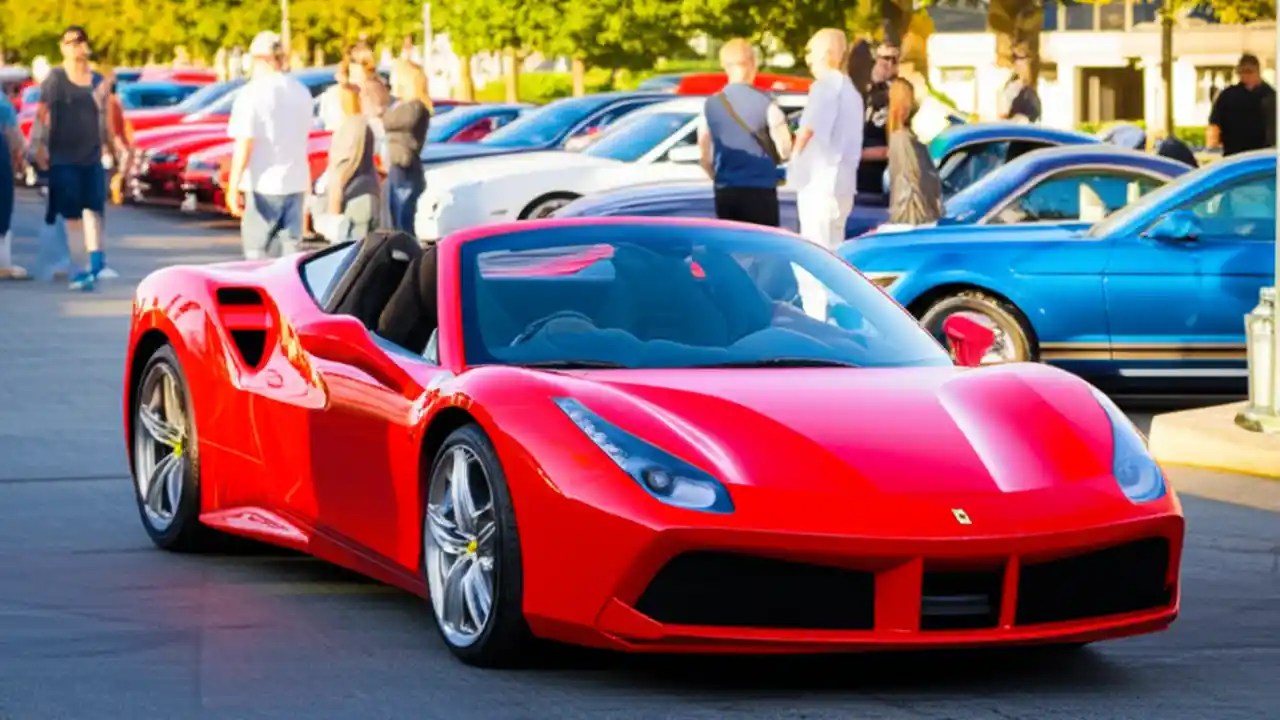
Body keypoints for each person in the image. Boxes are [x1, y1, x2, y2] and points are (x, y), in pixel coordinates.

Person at [34, 25, 114, 290]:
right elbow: (42, 114)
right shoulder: (55, 78)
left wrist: (111, 148)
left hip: (91, 156)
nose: (73, 46)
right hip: (63, 157)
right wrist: (38, 146)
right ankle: (80, 271)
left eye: (78, 41)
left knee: (95, 212)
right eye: (68, 42)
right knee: (73, 217)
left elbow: (106, 119)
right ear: (62, 47)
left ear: (85, 46)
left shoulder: (97, 81)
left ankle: (97, 264)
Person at [225, 31, 314, 259]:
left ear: (259, 60)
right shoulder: (300, 91)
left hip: (263, 184)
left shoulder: (252, 94)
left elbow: (245, 143)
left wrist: (233, 186)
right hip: (295, 180)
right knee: (290, 253)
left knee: (258, 253)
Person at [695, 38, 793, 227]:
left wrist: (719, 177)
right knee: (763, 249)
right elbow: (785, 149)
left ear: (725, 66)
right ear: (753, 64)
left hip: (726, 191)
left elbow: (704, 157)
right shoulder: (767, 103)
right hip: (761, 191)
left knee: (731, 248)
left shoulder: (710, 104)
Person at [788, 28, 863, 251]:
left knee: (815, 251)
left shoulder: (824, 87)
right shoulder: (852, 92)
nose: (808, 58)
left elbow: (809, 130)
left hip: (819, 184)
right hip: (844, 184)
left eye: (810, 51)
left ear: (824, 53)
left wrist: (793, 160)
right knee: (835, 251)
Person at [324, 82, 381, 242]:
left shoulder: (347, 129)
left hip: (351, 199)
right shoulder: (365, 127)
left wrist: (332, 213)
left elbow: (339, 169)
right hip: (370, 193)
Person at [885, 78, 943, 227]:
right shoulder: (902, 139)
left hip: (909, 215)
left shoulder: (898, 137)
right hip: (913, 217)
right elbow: (913, 179)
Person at [383, 60, 431, 233]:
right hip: (396, 167)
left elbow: (391, 120)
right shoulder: (399, 105)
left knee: (404, 222)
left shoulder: (417, 107)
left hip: (406, 168)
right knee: (395, 220)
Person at [1208, 54, 1276, 156]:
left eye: (1249, 71)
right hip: (1234, 153)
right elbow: (1215, 124)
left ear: (1257, 71)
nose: (1245, 75)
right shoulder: (1227, 95)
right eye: (1242, 72)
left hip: (1262, 153)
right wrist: (1212, 145)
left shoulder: (1270, 96)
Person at [856, 40, 897, 195]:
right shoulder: (860, 91)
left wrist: (859, 154)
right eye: (885, 58)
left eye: (894, 59)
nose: (889, 63)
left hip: (881, 175)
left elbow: (896, 145)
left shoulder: (895, 94)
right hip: (855, 176)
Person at [0, 86, 26, 279]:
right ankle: (2, 262)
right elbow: (14, 136)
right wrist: (19, 157)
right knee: (3, 206)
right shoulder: (2, 102)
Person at [997, 44, 1041, 124]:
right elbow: (1003, 115)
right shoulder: (1012, 87)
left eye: (1017, 58)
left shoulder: (1032, 90)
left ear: (1028, 61)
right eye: (1014, 58)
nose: (1015, 62)